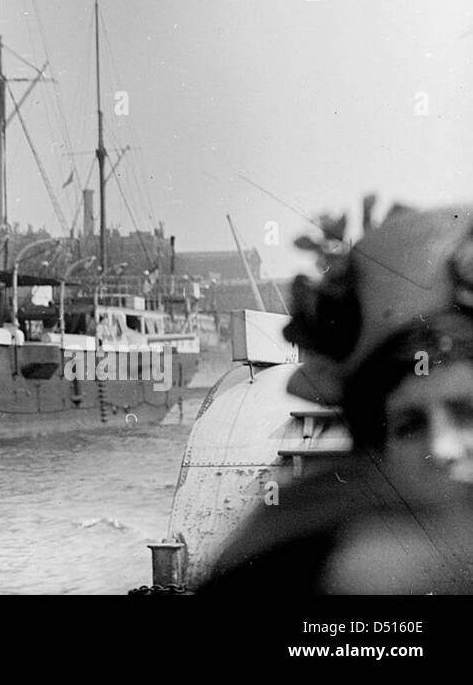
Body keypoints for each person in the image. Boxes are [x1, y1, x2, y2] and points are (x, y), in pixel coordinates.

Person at [201, 202, 473, 594]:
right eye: (409, 426)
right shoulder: (311, 561)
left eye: (467, 414)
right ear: (376, 451)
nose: (443, 447)